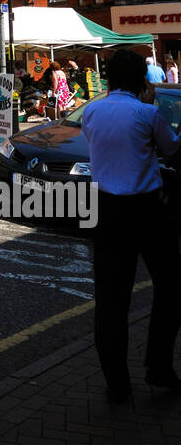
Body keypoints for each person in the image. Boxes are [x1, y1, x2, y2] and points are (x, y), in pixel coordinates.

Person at [82, 49, 181, 400]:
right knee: (170, 288)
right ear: (141, 78)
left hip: (107, 211)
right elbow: (170, 150)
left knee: (110, 301)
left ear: (109, 77)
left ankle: (117, 384)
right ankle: (158, 366)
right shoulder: (147, 112)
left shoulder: (91, 111)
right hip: (148, 210)